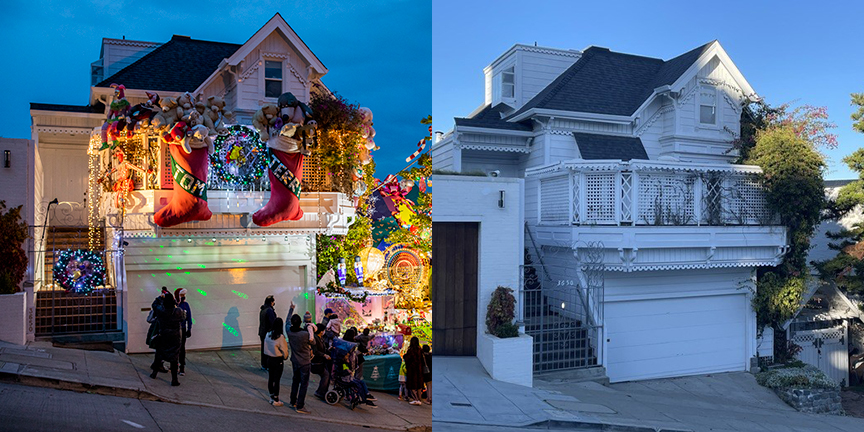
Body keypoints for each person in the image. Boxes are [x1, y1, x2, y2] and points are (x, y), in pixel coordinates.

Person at [149, 294, 185, 386]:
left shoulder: (161, 311)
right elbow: (183, 318)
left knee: (159, 355)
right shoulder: (178, 311)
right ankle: (174, 379)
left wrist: (160, 297)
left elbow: (154, 305)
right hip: (175, 337)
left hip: (163, 335)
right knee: (174, 358)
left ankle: (154, 373)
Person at [286, 314, 313, 414]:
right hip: (305, 361)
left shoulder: (289, 332)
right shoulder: (304, 334)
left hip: (295, 360)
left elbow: (287, 322)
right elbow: (313, 341)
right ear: (301, 322)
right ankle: (300, 405)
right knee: (304, 384)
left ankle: (293, 401)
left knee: (295, 381)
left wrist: (291, 309)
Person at [263, 317, 289, 406]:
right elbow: (284, 350)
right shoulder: (280, 337)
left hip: (269, 359)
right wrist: (285, 356)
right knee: (277, 380)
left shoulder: (268, 334)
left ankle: (271, 397)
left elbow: (265, 347)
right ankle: (276, 399)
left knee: (271, 378)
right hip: (278, 360)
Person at [174, 288, 192, 376]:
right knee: (175, 348)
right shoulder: (174, 305)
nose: (183, 297)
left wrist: (189, 329)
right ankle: (174, 365)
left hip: (183, 329)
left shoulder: (185, 305)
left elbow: (189, 317)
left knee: (182, 348)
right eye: (181, 295)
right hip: (175, 329)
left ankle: (182, 366)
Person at [311, 323, 331, 400]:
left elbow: (323, 349)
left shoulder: (320, 338)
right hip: (316, 362)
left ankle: (322, 391)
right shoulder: (315, 339)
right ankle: (320, 392)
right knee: (326, 375)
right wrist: (324, 355)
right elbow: (315, 351)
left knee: (326, 374)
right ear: (321, 331)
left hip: (321, 361)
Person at [404, 336, 424, 405]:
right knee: (419, 386)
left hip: (412, 370)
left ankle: (415, 399)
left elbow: (407, 359)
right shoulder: (420, 350)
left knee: (412, 385)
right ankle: (419, 399)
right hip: (419, 370)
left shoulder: (411, 351)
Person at [258, 295, 277, 370]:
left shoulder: (263, 309)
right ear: (271, 302)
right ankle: (268, 365)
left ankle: (264, 364)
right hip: (267, 333)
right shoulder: (269, 310)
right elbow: (272, 322)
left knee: (264, 349)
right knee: (268, 349)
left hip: (262, 332)